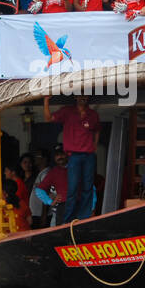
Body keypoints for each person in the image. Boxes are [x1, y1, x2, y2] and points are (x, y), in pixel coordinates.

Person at [44, 94, 101, 223]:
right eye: (80, 95)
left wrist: (95, 145)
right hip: (74, 155)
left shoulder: (92, 114)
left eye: (85, 95)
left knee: (87, 187)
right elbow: (48, 118)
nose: (82, 97)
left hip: (88, 155)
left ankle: (84, 218)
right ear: (75, 97)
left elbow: (97, 130)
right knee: (73, 188)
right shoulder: (67, 111)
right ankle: (68, 219)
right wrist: (46, 100)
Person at [4, 164, 30, 232]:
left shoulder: (3, 206)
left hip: (14, 235)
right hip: (25, 232)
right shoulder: (21, 203)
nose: (5, 173)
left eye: (6, 171)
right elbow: (30, 221)